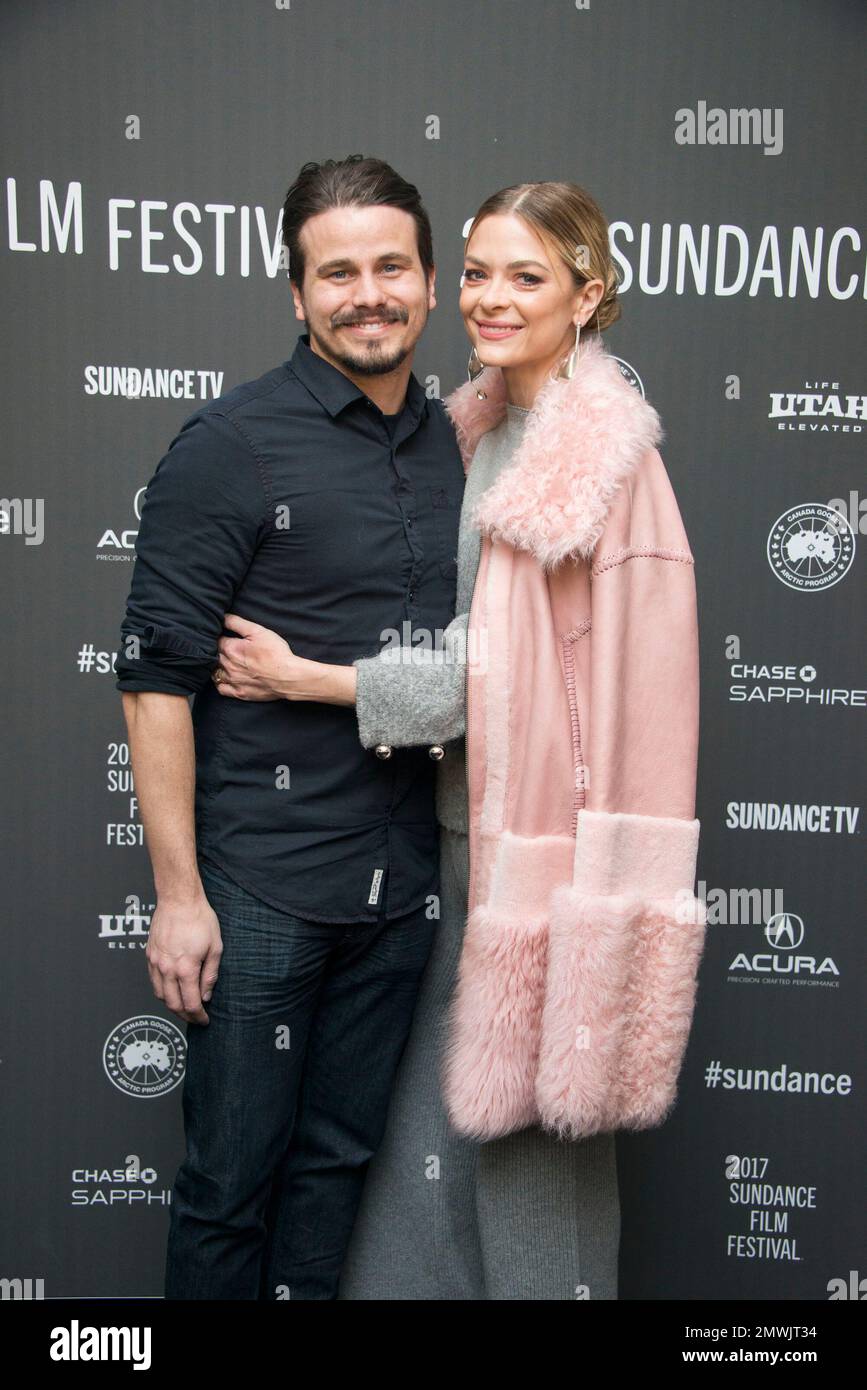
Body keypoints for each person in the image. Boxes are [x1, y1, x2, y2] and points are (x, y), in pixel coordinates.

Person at [212, 180, 707, 1300]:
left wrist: (311, 679)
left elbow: (507, 687)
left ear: (587, 294)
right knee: (425, 1171)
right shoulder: (480, 432)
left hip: (543, 866)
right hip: (448, 844)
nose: (489, 297)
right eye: (477, 270)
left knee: (539, 1188)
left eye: (525, 276)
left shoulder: (598, 459)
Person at [114, 155, 466, 1299]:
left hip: (400, 887)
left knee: (336, 1173)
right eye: (338, 272)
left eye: (390, 267)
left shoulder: (457, 444)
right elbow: (155, 679)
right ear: (297, 293)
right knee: (230, 1187)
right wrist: (178, 896)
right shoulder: (231, 444)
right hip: (259, 891)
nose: (368, 293)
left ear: (427, 283)